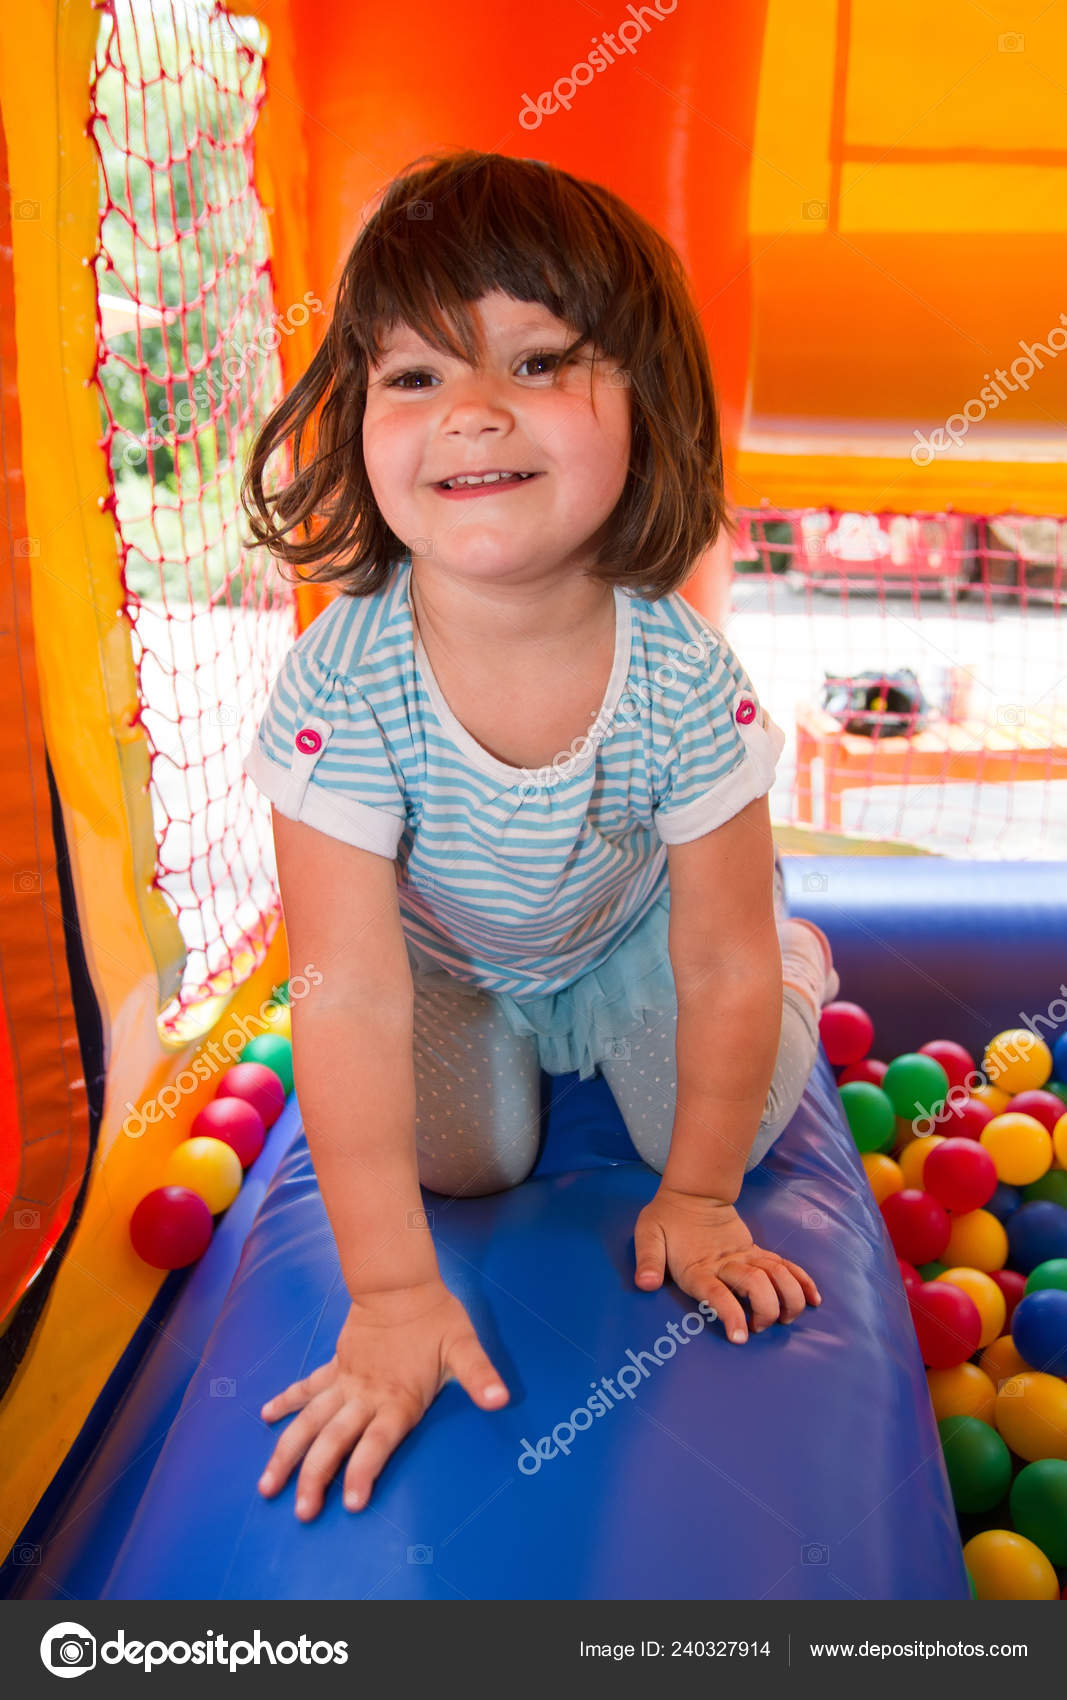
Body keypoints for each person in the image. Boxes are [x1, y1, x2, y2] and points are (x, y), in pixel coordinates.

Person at [240, 150, 838, 1524]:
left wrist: (694, 1200)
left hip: (639, 948)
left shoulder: (684, 676)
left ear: (648, 404)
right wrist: (391, 1291)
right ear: (359, 417)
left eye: (536, 361)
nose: (471, 414)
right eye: (415, 376)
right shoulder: (342, 680)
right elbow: (339, 992)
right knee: (465, 1162)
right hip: (449, 963)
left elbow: (719, 966)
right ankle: (517, 1056)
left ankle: (818, 951)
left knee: (728, 1124)